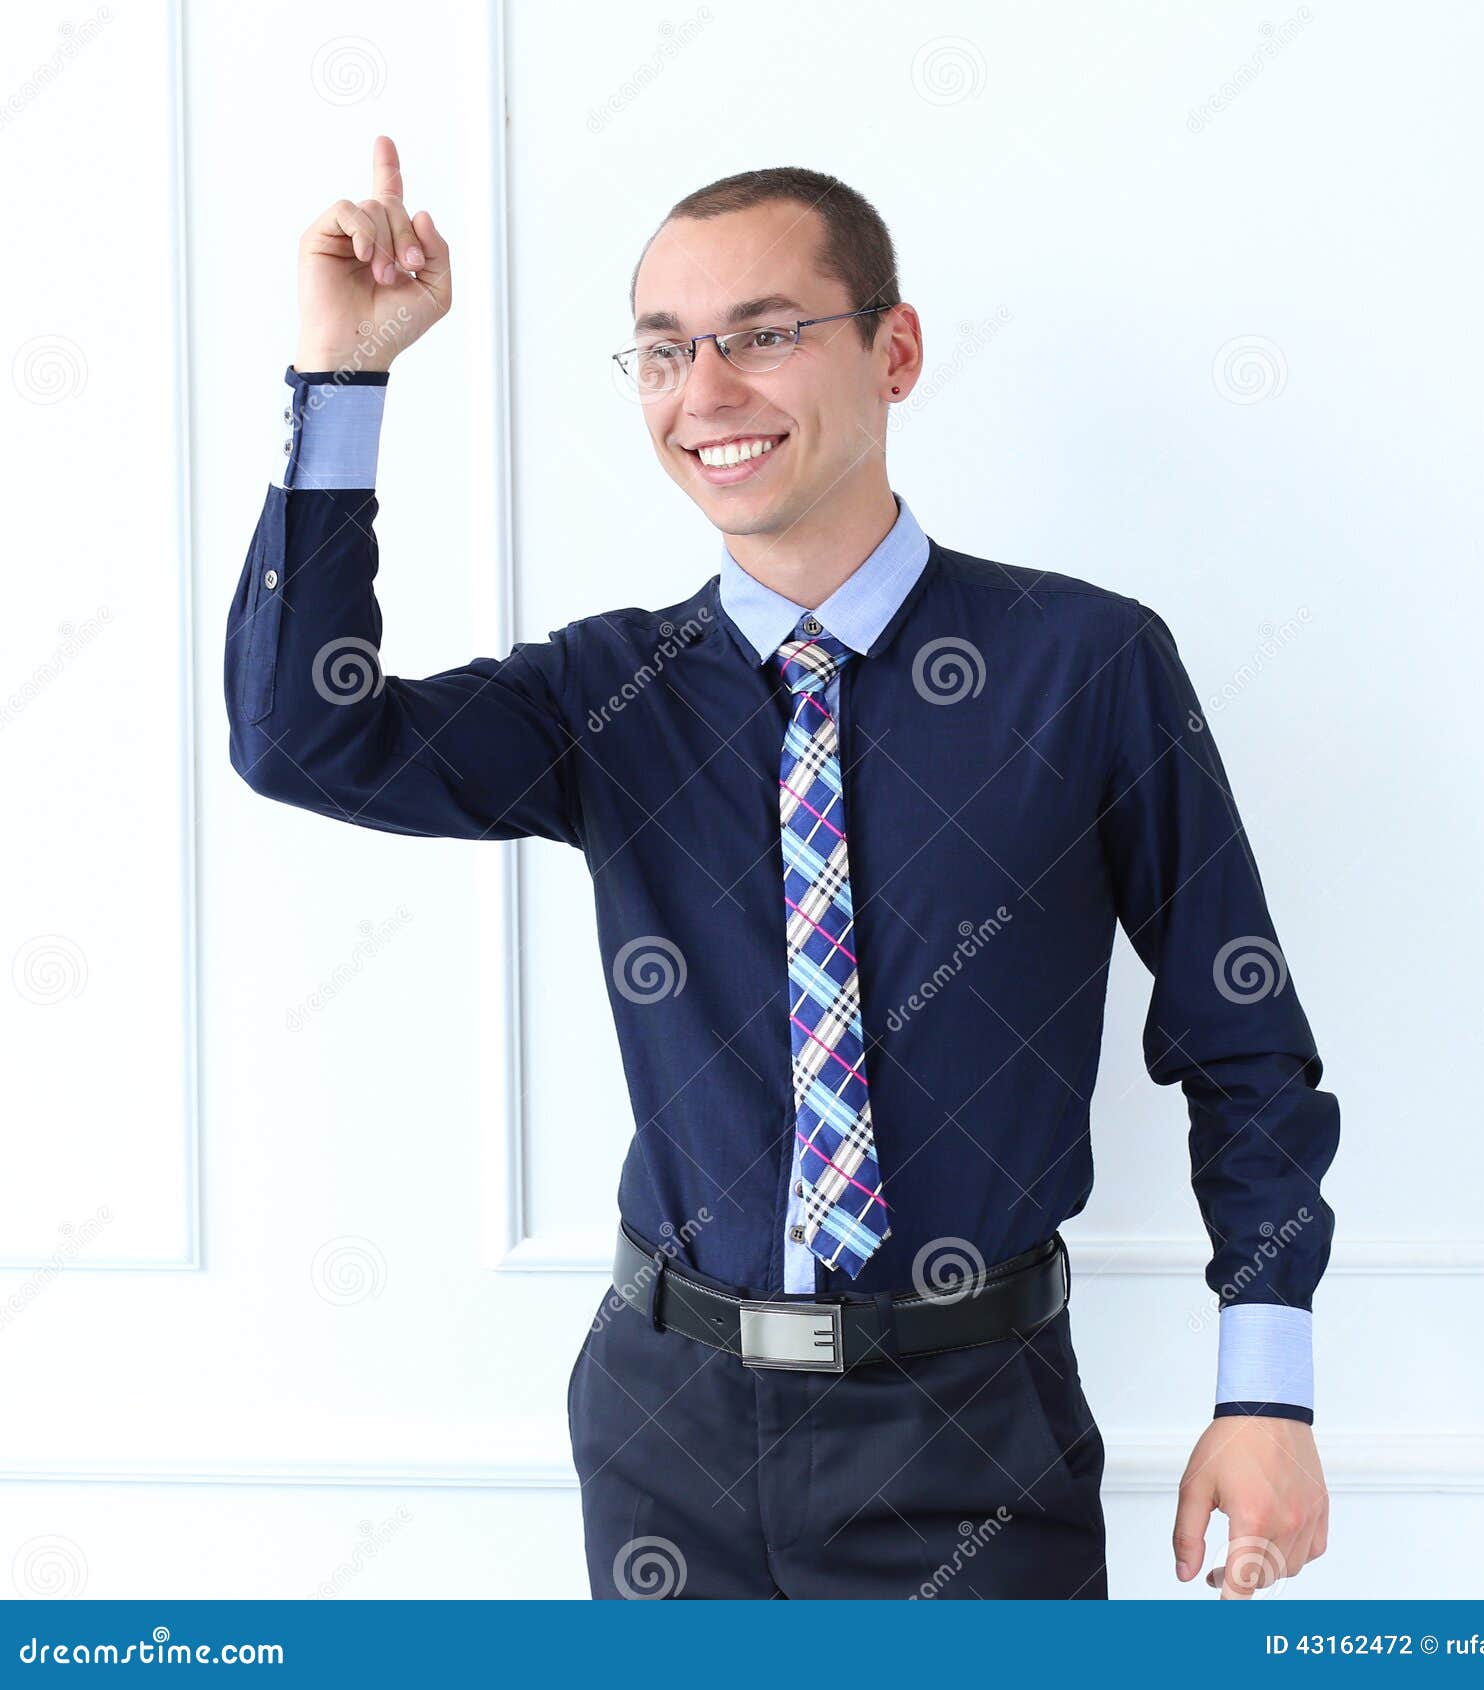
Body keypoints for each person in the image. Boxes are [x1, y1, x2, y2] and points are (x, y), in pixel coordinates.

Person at [226, 135, 1338, 1600]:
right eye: (663, 351)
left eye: (761, 335)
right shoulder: (610, 694)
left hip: (969, 1438)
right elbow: (300, 735)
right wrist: (344, 378)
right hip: (664, 1427)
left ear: (896, 350)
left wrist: (1268, 1390)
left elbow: (1243, 1044)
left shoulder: (1087, 667)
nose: (706, 392)